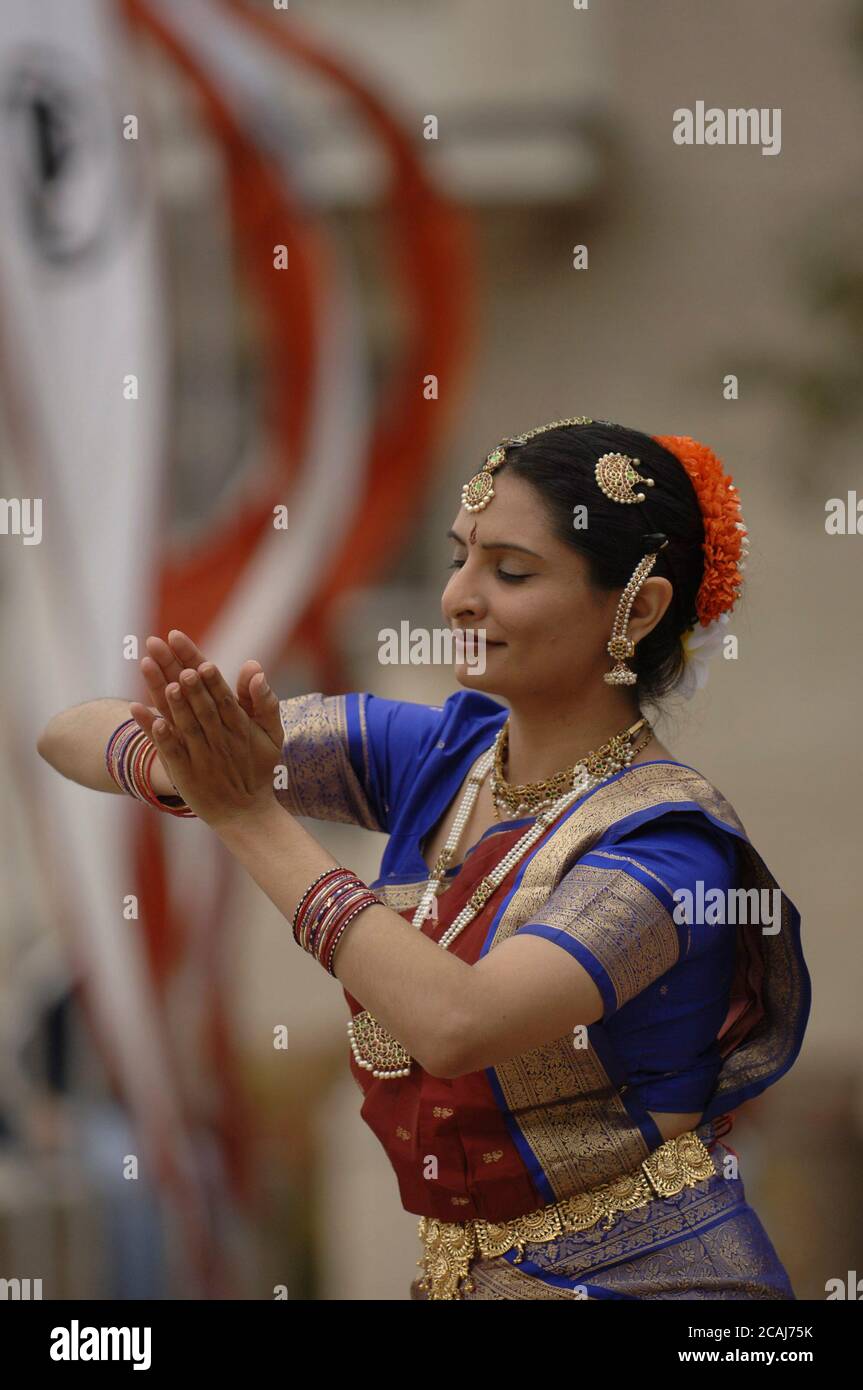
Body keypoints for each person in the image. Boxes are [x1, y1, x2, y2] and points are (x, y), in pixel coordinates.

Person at [38, 417, 810, 1301]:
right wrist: (178, 758)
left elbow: (456, 1025)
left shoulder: (668, 848)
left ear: (636, 608)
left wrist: (244, 814)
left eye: (510, 572)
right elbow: (65, 735)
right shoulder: (439, 757)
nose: (458, 598)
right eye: (458, 559)